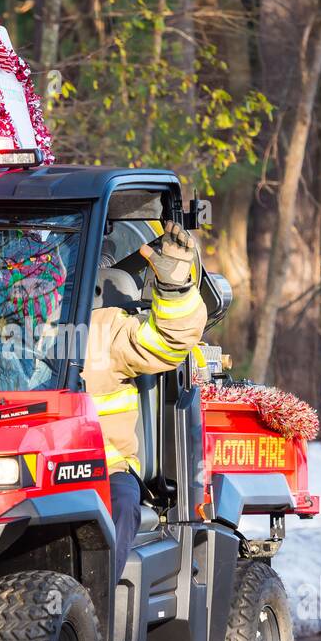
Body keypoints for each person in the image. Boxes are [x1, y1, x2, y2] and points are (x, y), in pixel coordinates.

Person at [84, 221, 206, 581]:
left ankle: (94, 615)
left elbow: (166, 342)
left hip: (101, 470)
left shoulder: (103, 328)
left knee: (120, 502)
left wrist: (174, 289)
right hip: (15, 471)